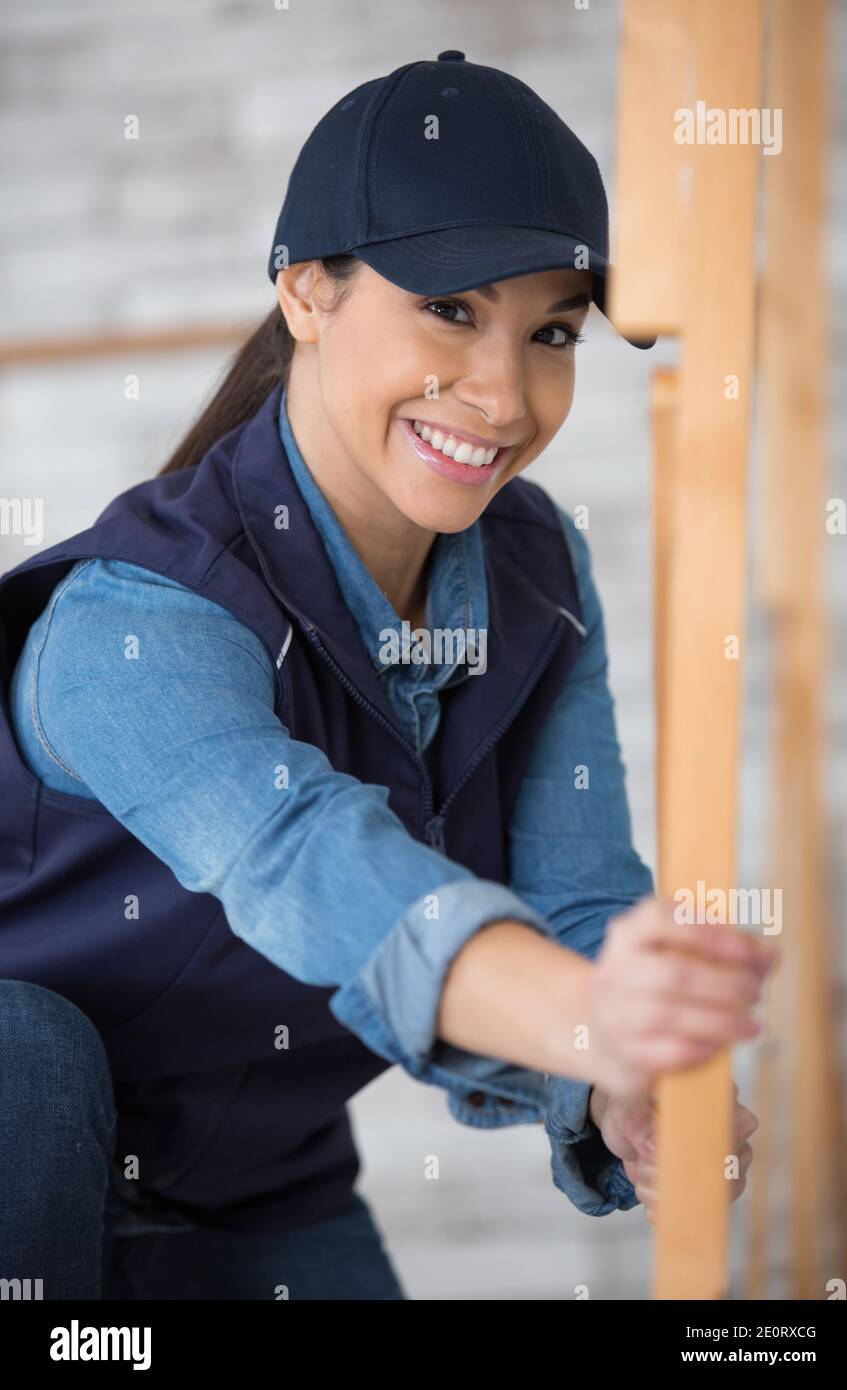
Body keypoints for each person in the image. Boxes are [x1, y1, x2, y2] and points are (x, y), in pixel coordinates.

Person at [0, 50, 775, 1300]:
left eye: (552, 332)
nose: (504, 394)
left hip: (260, 1185)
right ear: (306, 292)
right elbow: (314, 867)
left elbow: (575, 894)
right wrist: (596, 1017)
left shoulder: (536, 570)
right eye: (452, 309)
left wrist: (616, 1075)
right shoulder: (136, 622)